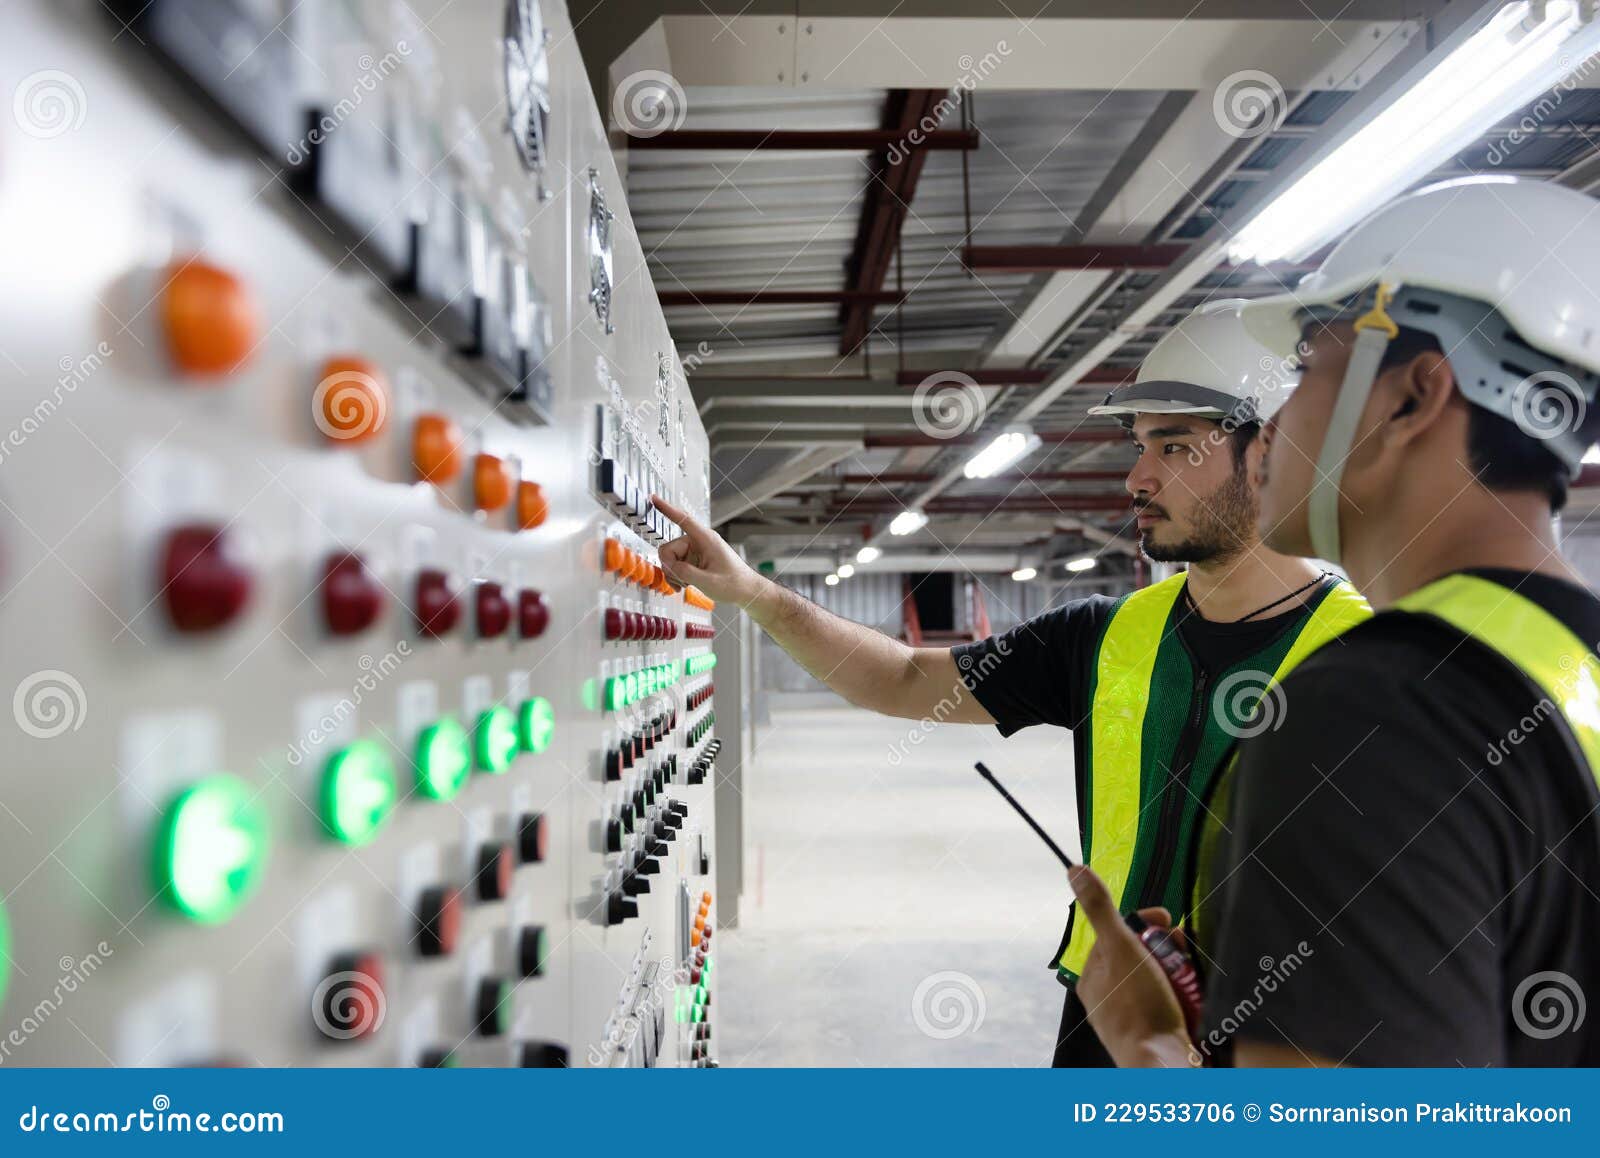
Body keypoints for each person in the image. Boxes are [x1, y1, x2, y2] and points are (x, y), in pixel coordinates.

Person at [651, 300, 1370, 1067]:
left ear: (1275, 451)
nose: (1137, 476)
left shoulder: (1373, 657)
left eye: (1175, 446)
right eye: (1138, 444)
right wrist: (755, 594)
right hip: (1107, 1012)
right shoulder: (1103, 635)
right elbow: (898, 679)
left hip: (1284, 1044)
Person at [1071, 175, 1600, 1067]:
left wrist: (1150, 1045)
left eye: (1309, 369)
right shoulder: (1567, 666)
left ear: (1411, 398)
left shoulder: (1375, 714)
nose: (1274, 428)